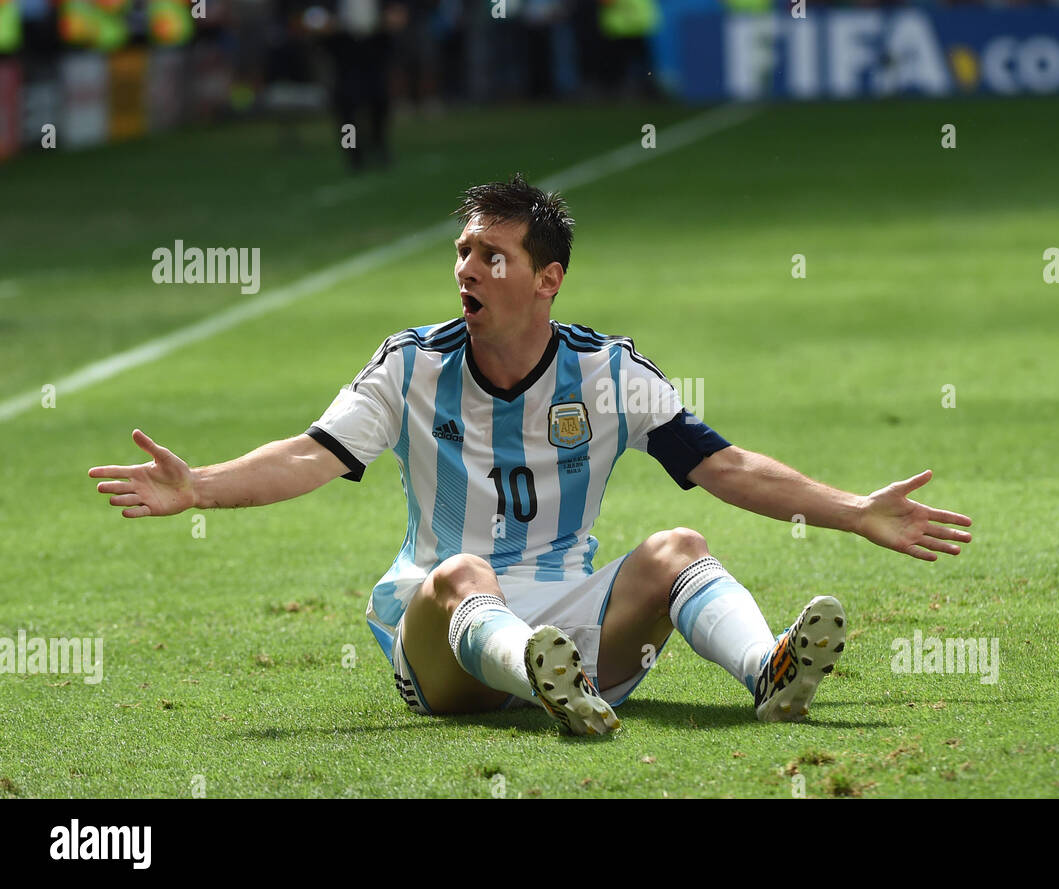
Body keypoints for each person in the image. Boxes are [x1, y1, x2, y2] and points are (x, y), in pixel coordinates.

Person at [89, 174, 973, 735]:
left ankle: (768, 670)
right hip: (443, 642)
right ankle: (544, 683)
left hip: (573, 622)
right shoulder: (412, 365)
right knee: (459, 569)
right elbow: (312, 455)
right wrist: (200, 486)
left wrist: (855, 509)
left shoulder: (606, 372)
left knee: (678, 549)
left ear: (547, 279)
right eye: (465, 251)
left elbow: (727, 467)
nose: (469, 269)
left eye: (494, 255)